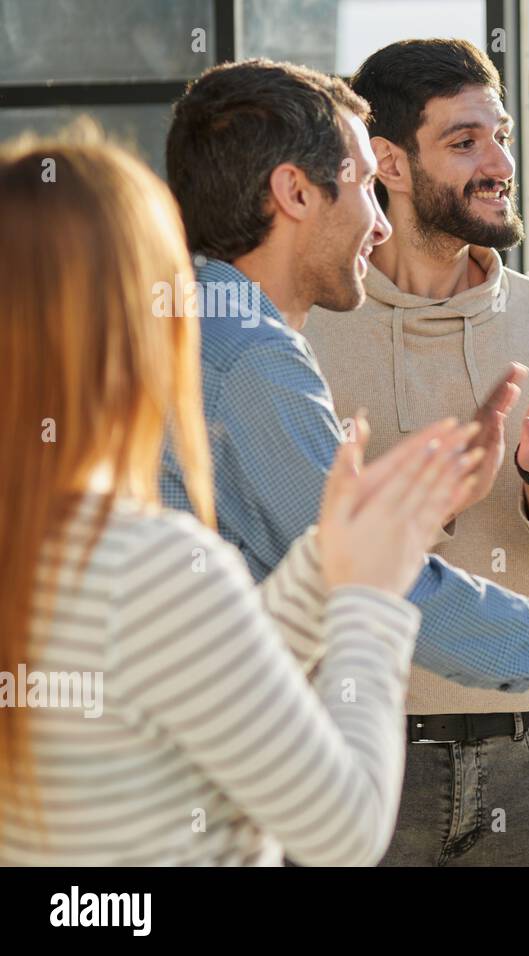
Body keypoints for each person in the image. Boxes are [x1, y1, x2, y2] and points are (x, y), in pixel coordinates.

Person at [0, 129, 481, 865]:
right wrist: (371, 601)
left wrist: (329, 557)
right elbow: (343, 829)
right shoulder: (147, 567)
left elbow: (203, 675)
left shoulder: (62, 553)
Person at [158, 58, 529, 702]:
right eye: (364, 189)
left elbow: (308, 568)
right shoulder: (250, 356)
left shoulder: (183, 323)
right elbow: (368, 579)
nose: (378, 224)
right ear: (294, 193)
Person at [304, 39, 529, 867]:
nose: (500, 163)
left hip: (525, 749)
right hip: (350, 748)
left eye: (502, 135)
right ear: (390, 164)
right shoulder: (306, 323)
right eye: (465, 142)